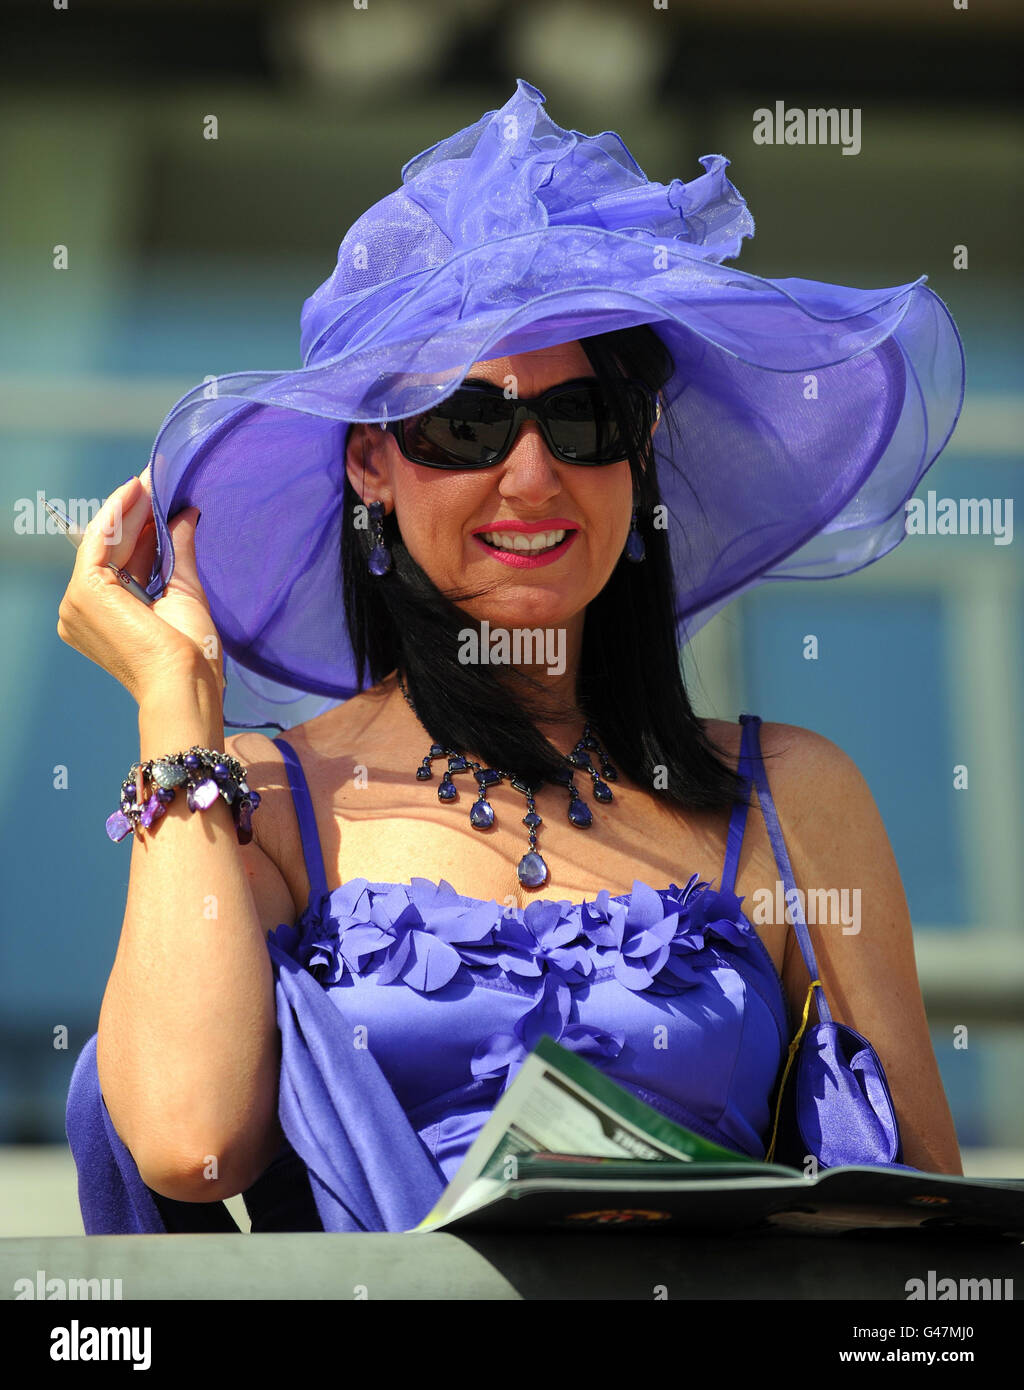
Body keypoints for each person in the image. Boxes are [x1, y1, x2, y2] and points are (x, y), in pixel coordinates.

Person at [61, 80, 965, 1235]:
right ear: (370, 467)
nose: (531, 478)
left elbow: (917, 1245)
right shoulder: (269, 804)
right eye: (465, 423)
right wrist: (176, 706)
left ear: (635, 455)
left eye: (583, 418)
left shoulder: (793, 799)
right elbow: (190, 1141)